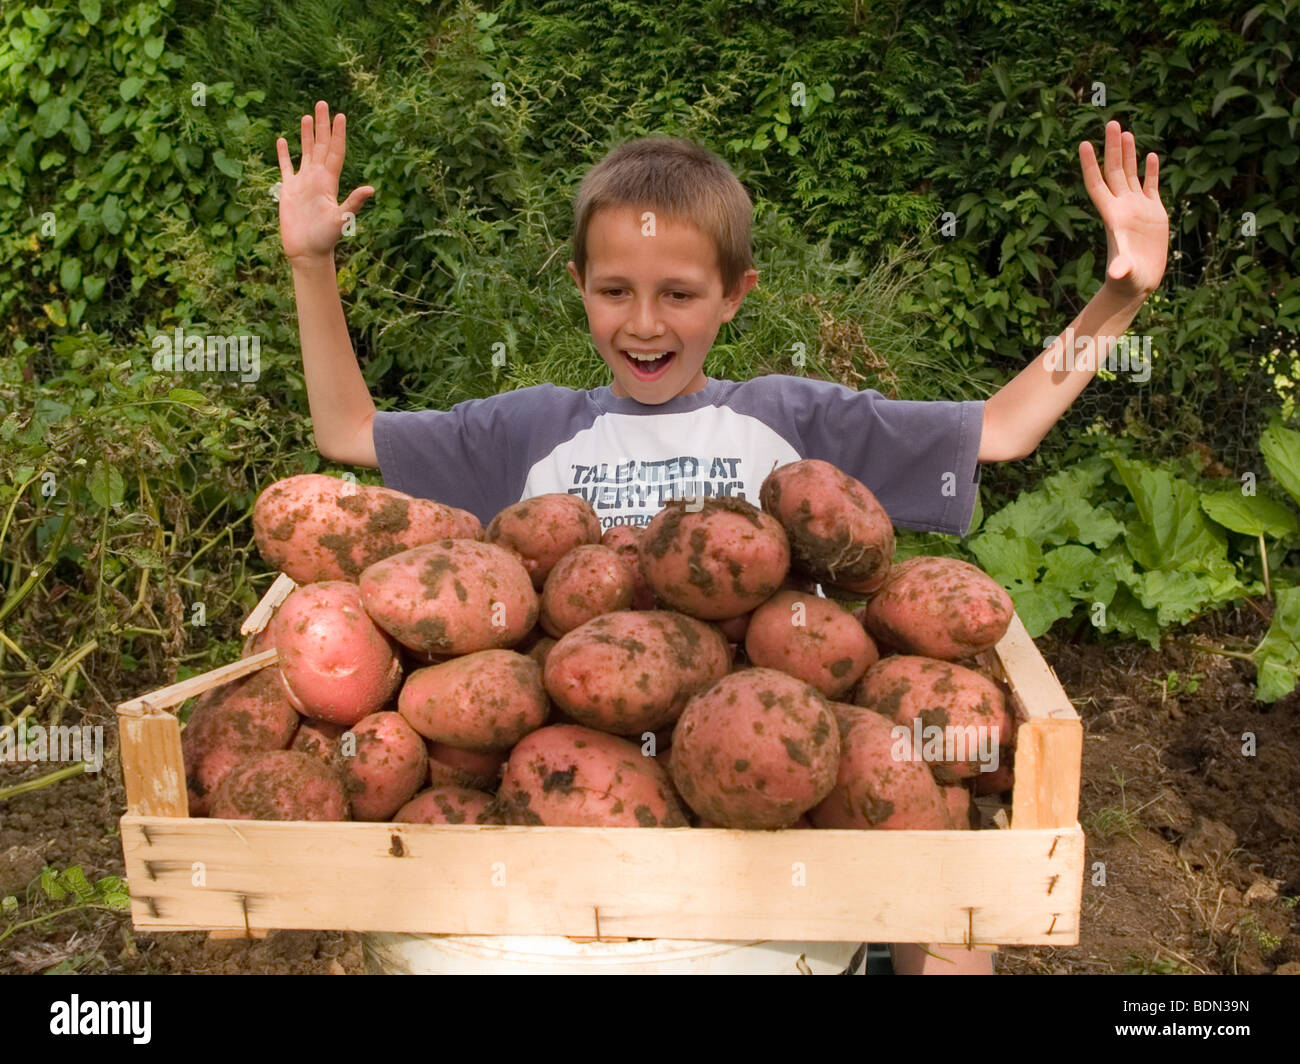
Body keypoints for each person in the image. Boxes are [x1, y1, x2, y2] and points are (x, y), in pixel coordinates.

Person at [276, 101, 1168, 974]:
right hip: (568, 860)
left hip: (763, 826)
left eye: (679, 294)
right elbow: (348, 430)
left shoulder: (790, 420)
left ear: (736, 295)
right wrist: (312, 263)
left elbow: (1004, 429)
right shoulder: (528, 431)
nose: (645, 323)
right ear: (579, 289)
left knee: (954, 848)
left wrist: (1117, 303)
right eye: (615, 291)